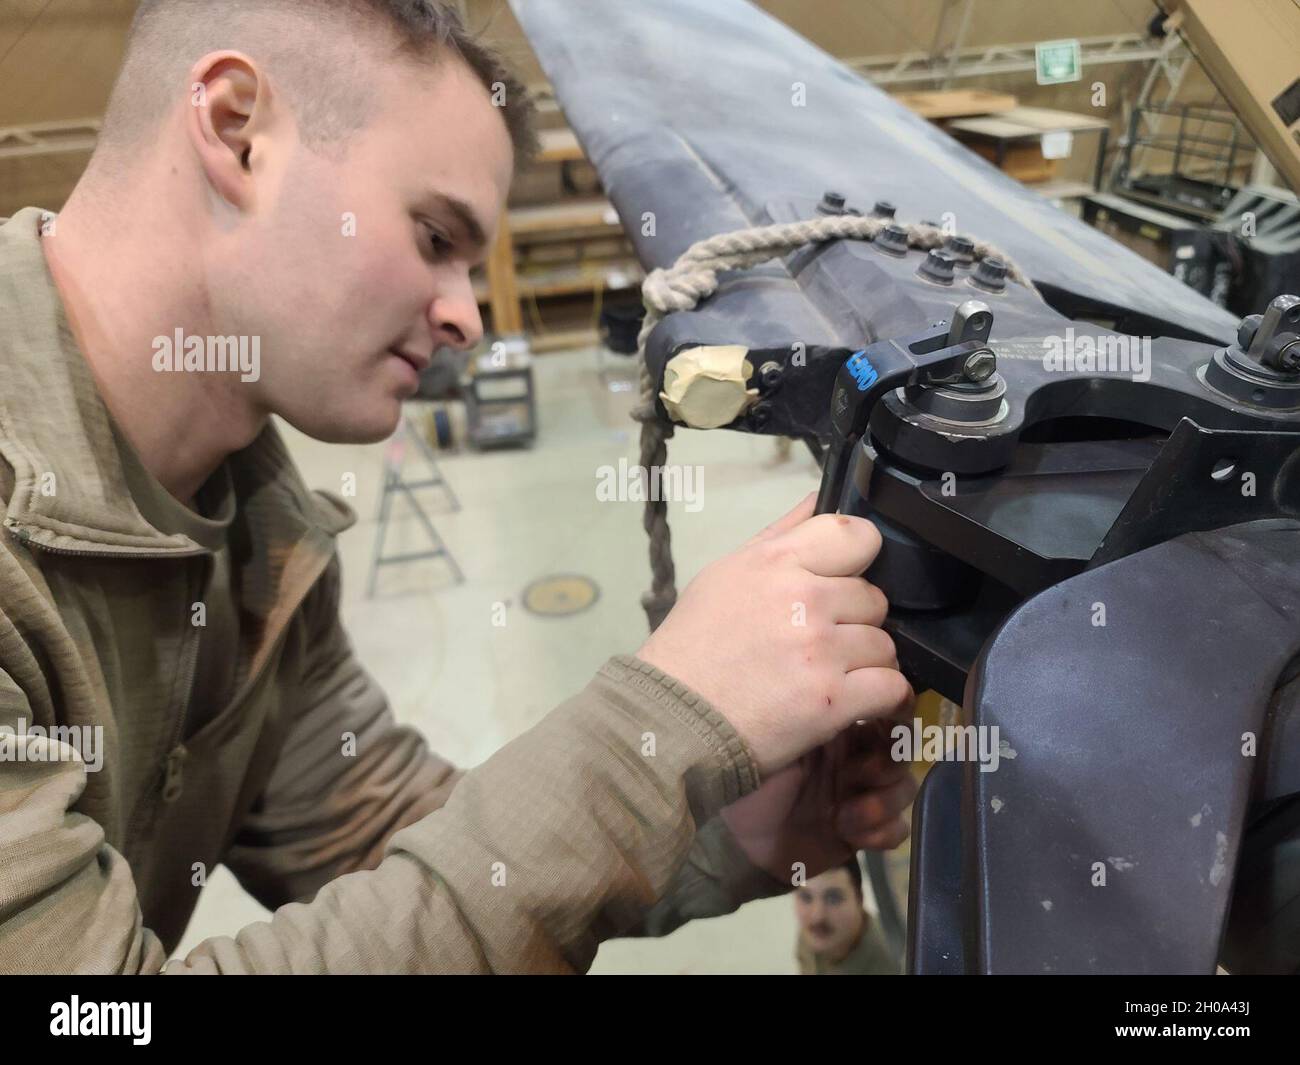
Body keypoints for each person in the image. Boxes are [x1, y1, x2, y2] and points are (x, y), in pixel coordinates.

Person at [0, 0, 915, 974]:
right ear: (238, 133)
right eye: (435, 238)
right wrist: (660, 719)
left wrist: (728, 826)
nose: (465, 319)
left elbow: (385, 839)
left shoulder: (253, 527)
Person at [794, 860, 900, 975]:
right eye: (806, 897)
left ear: (860, 899)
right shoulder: (815, 935)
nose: (817, 916)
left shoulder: (894, 960)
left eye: (833, 898)